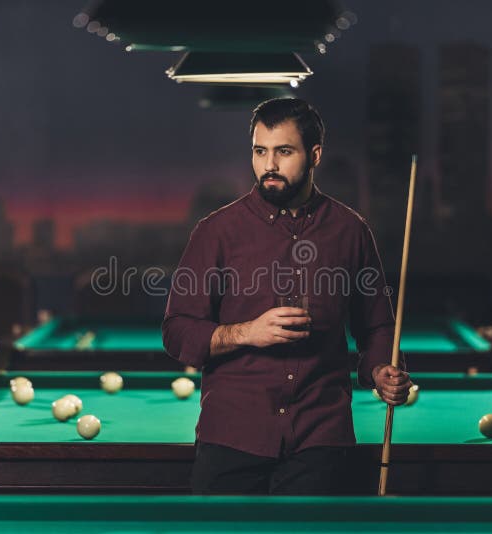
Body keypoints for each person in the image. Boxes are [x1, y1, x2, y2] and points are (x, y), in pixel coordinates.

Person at [162, 98, 412, 495]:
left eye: (284, 151)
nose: (270, 165)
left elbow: (377, 326)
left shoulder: (350, 231)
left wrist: (381, 370)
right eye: (260, 151)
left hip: (320, 442)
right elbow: (177, 333)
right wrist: (247, 332)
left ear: (315, 155)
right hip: (231, 438)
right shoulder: (216, 232)